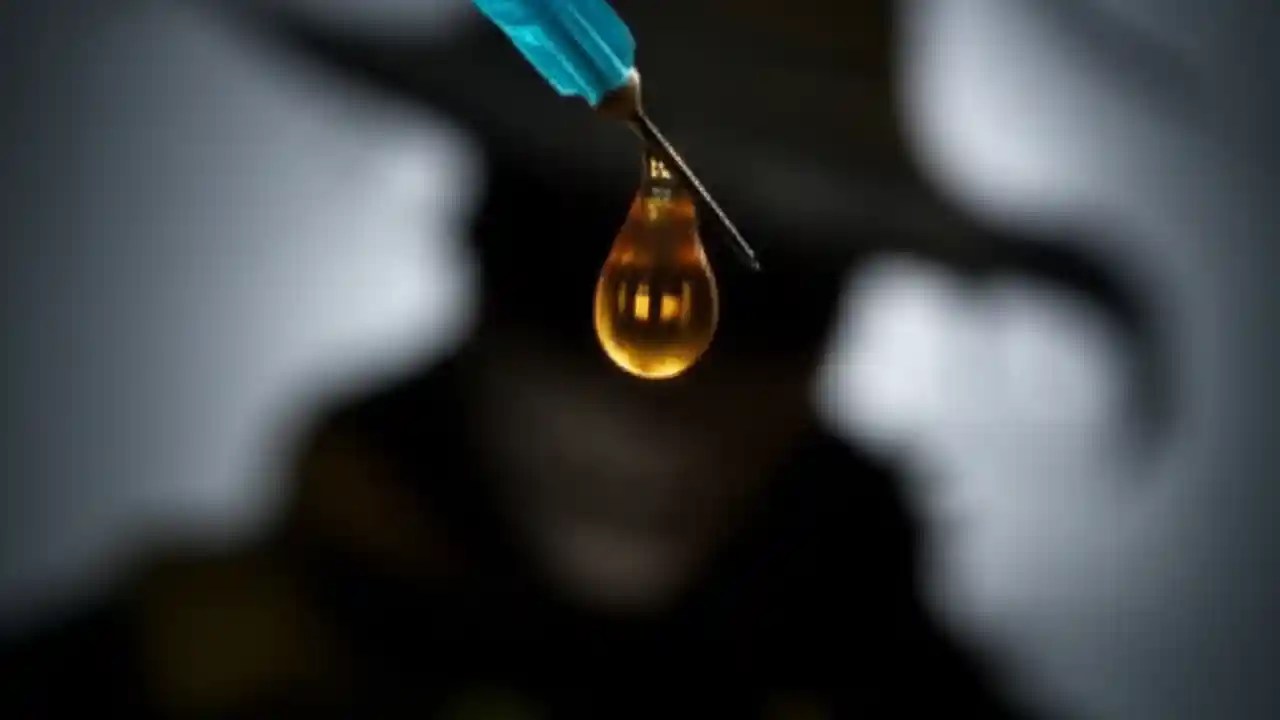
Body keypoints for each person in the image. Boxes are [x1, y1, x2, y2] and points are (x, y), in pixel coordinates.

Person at [6, 2, 1036, 717]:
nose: (647, 394)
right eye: (562, 256)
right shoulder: (125, 688)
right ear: (471, 235)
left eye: (769, 298)